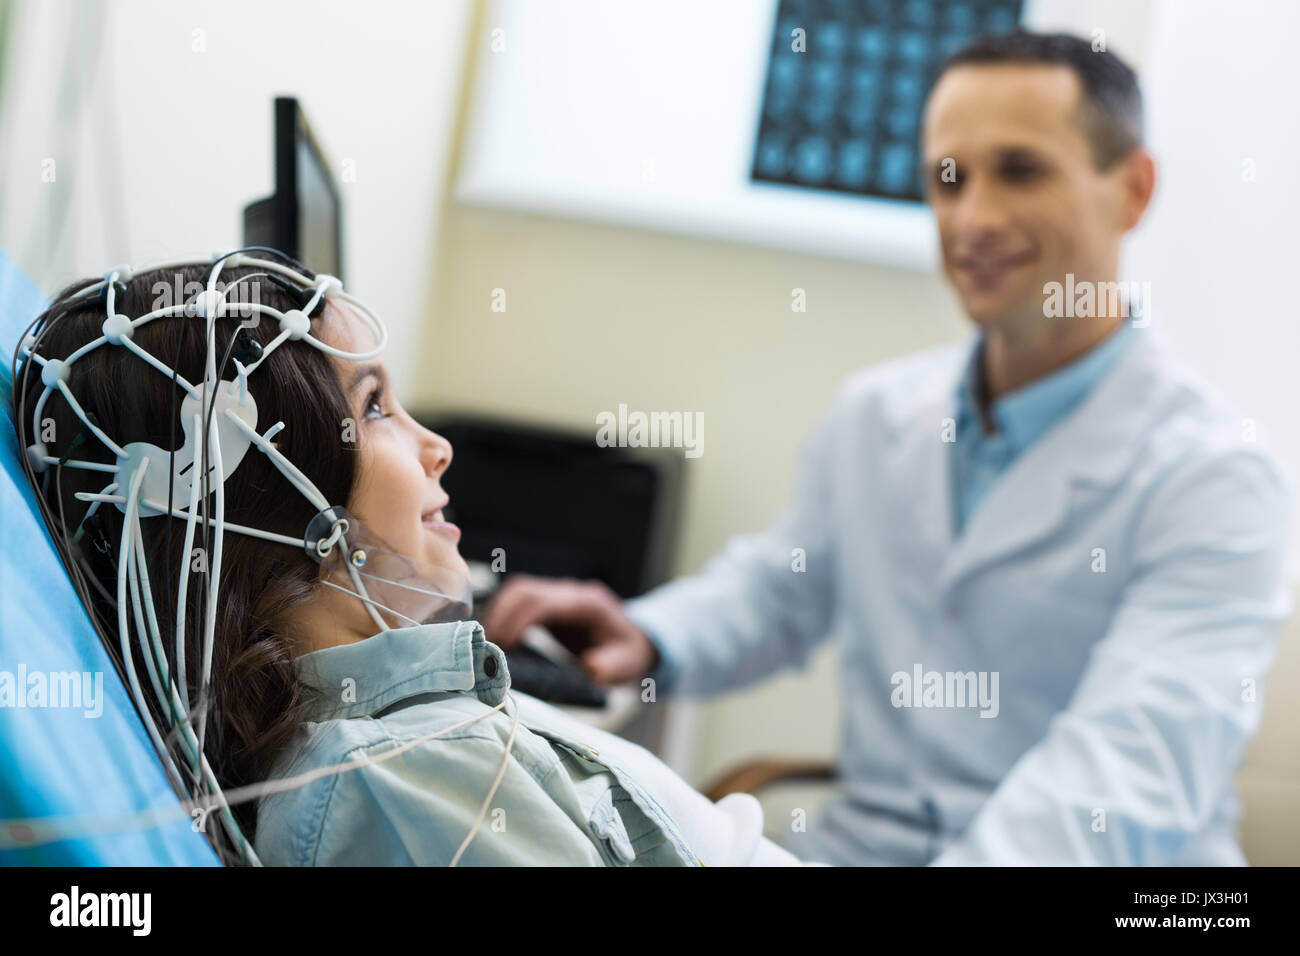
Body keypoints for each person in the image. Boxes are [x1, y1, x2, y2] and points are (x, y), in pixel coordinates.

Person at [484, 32, 1294, 865]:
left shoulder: (1218, 478)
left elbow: (1126, 775)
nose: (972, 218)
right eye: (949, 179)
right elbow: (778, 589)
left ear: (1133, 188)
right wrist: (651, 637)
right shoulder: (879, 413)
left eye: (1020, 170)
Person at [13, 254, 807, 867]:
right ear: (277, 503)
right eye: (375, 407)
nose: (438, 447)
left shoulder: (408, 741)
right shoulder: (392, 782)